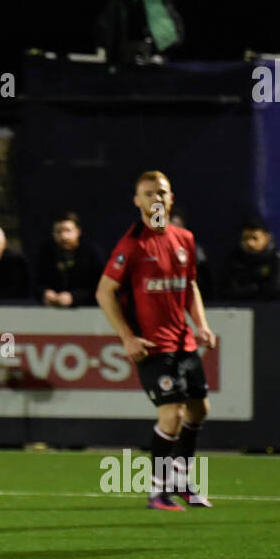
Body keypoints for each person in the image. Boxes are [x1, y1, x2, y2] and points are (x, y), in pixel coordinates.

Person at [94, 170, 217, 511]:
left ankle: (182, 480)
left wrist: (202, 325)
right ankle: (158, 490)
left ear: (171, 197)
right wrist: (127, 338)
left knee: (198, 409)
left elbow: (189, 285)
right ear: (137, 201)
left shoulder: (185, 239)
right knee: (171, 413)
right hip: (152, 347)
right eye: (148, 194)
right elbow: (104, 292)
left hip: (184, 342)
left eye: (161, 192)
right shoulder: (132, 244)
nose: (156, 199)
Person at [36, 211, 103, 307]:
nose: (63, 236)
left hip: (86, 311)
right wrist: (45, 293)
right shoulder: (46, 252)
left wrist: (74, 297)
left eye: (68, 230)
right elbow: (37, 283)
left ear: (78, 231)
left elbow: (100, 288)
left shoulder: (92, 253)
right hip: (52, 311)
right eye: (58, 231)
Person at [218, 216, 280, 301]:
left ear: (266, 238)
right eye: (245, 238)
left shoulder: (278, 259)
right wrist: (256, 288)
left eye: (254, 238)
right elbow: (225, 291)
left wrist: (246, 289)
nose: (250, 243)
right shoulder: (233, 259)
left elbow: (275, 291)